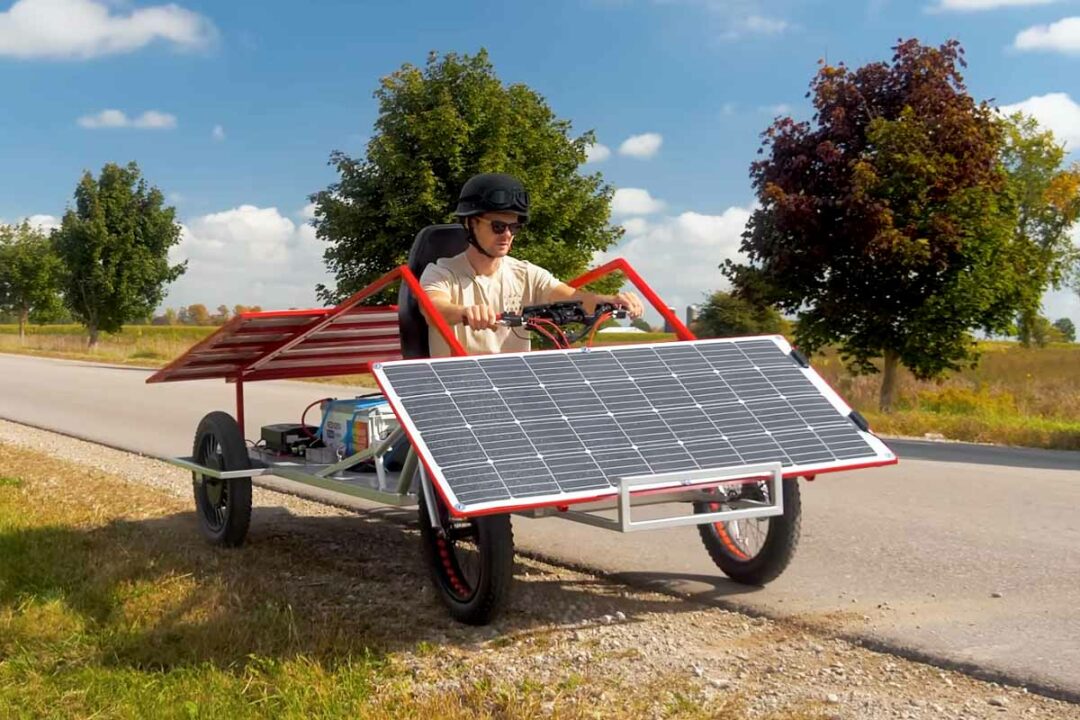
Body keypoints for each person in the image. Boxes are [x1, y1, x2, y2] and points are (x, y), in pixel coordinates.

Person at [420, 172, 644, 357]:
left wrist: (610, 300)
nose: (507, 235)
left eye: (514, 228)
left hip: (516, 387)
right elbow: (433, 308)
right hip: (459, 388)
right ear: (470, 224)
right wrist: (465, 312)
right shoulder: (441, 273)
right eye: (498, 226)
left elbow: (572, 296)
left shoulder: (527, 273)